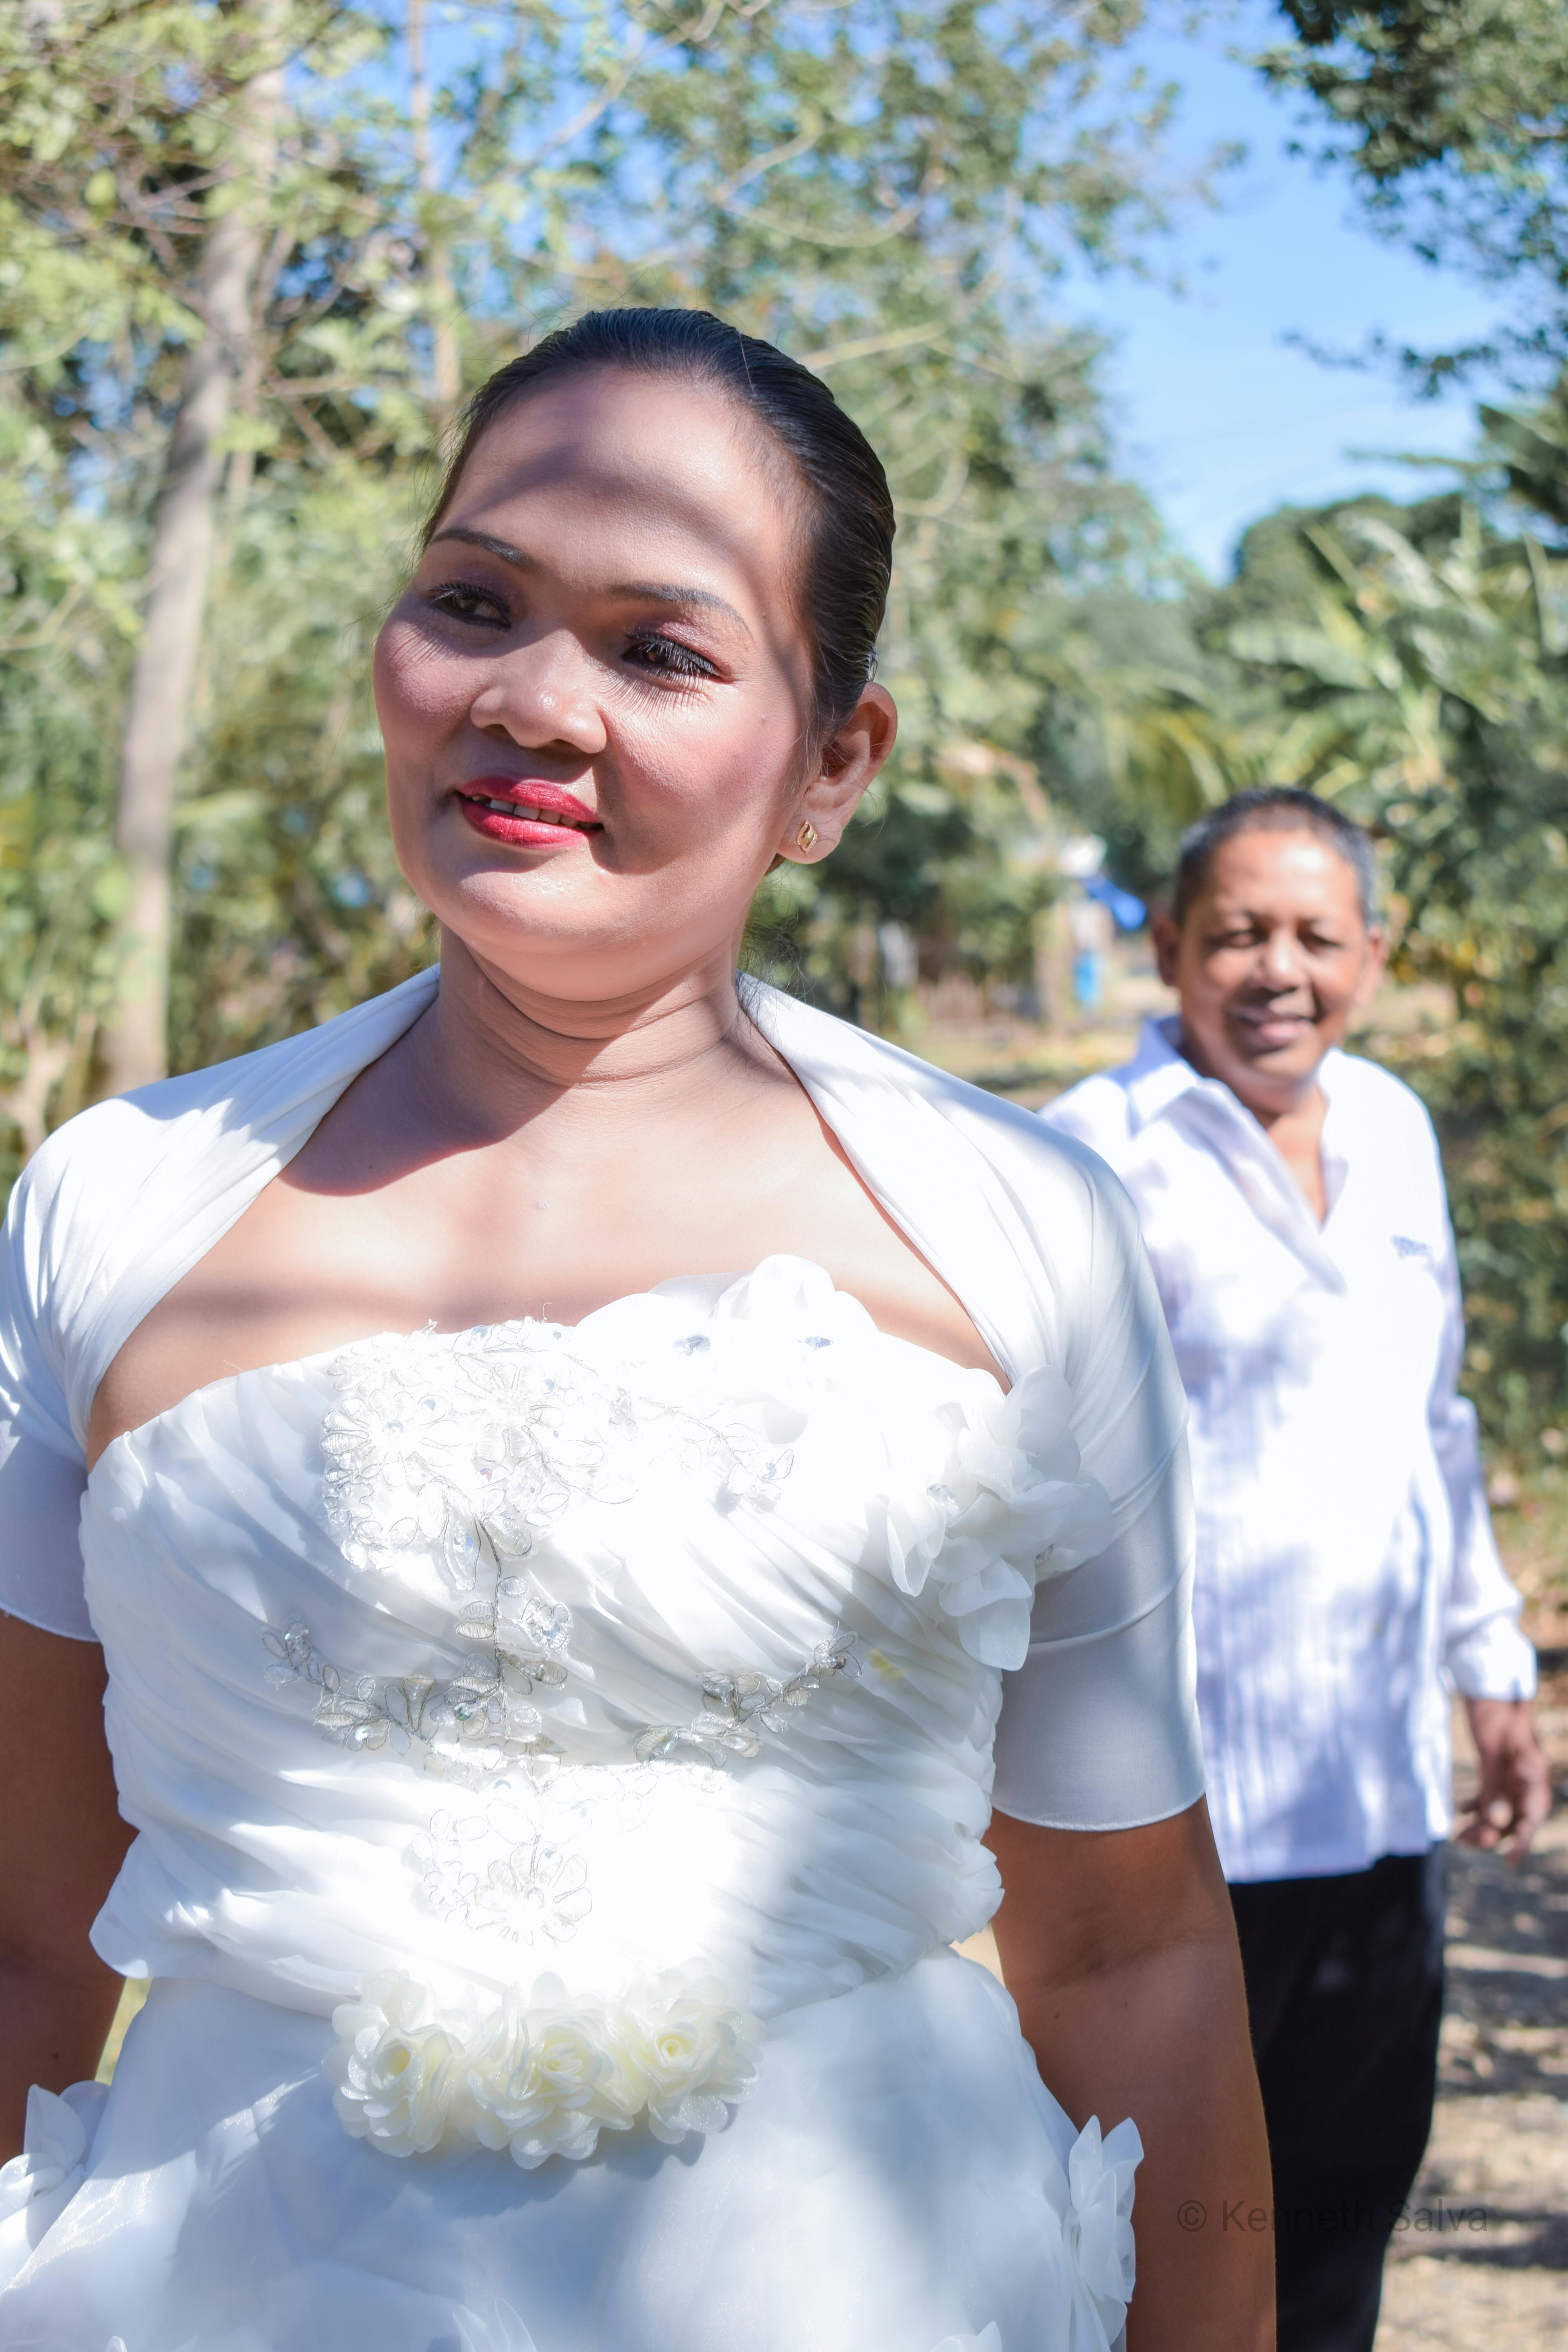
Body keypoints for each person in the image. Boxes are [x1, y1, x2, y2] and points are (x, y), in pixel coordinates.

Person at [0, 310, 1272, 2352]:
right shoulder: (113, 1208)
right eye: (470, 601)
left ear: (833, 763)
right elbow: (22, 1946)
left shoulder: (1021, 1231)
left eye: (658, 649)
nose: (529, 701)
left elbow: (1132, 1954)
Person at [1043, 787, 1551, 2352]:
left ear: (1373, 957)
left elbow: (1434, 1418)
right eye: (1238, 935)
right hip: (1168, 1819)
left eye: (1317, 938)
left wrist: (1488, 1663)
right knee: (1147, 2245)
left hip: (1374, 1798)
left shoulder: (1392, 1129)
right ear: (1170, 949)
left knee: (1342, 2215)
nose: (1279, 970)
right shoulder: (1088, 1155)